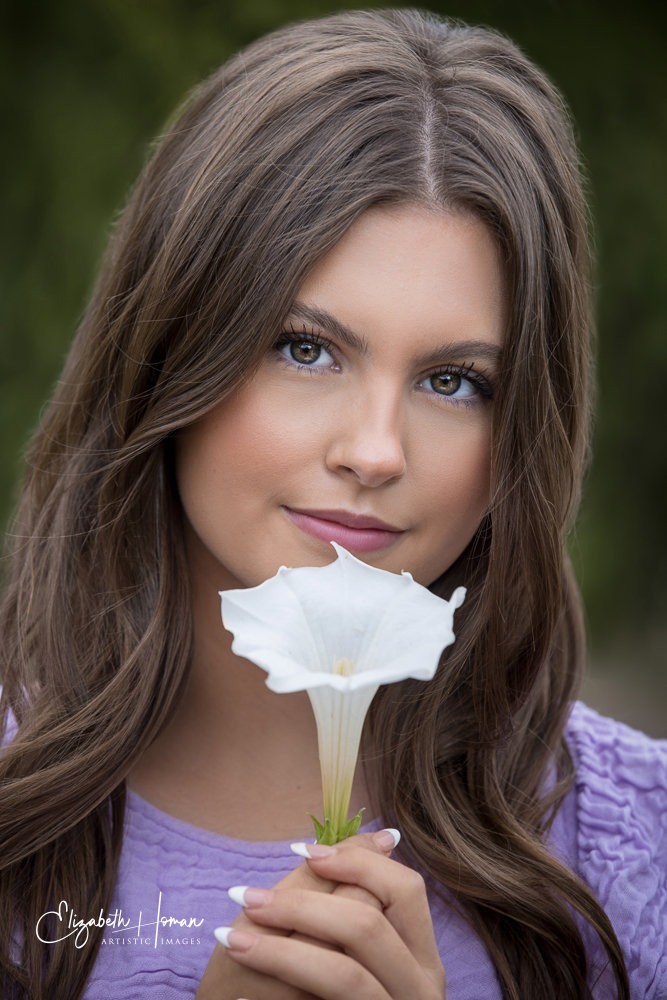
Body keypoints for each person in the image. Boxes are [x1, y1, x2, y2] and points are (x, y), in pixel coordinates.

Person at [1, 8, 665, 999]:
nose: (373, 451)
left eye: (454, 382)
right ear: (168, 350)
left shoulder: (632, 856)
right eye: (305, 347)